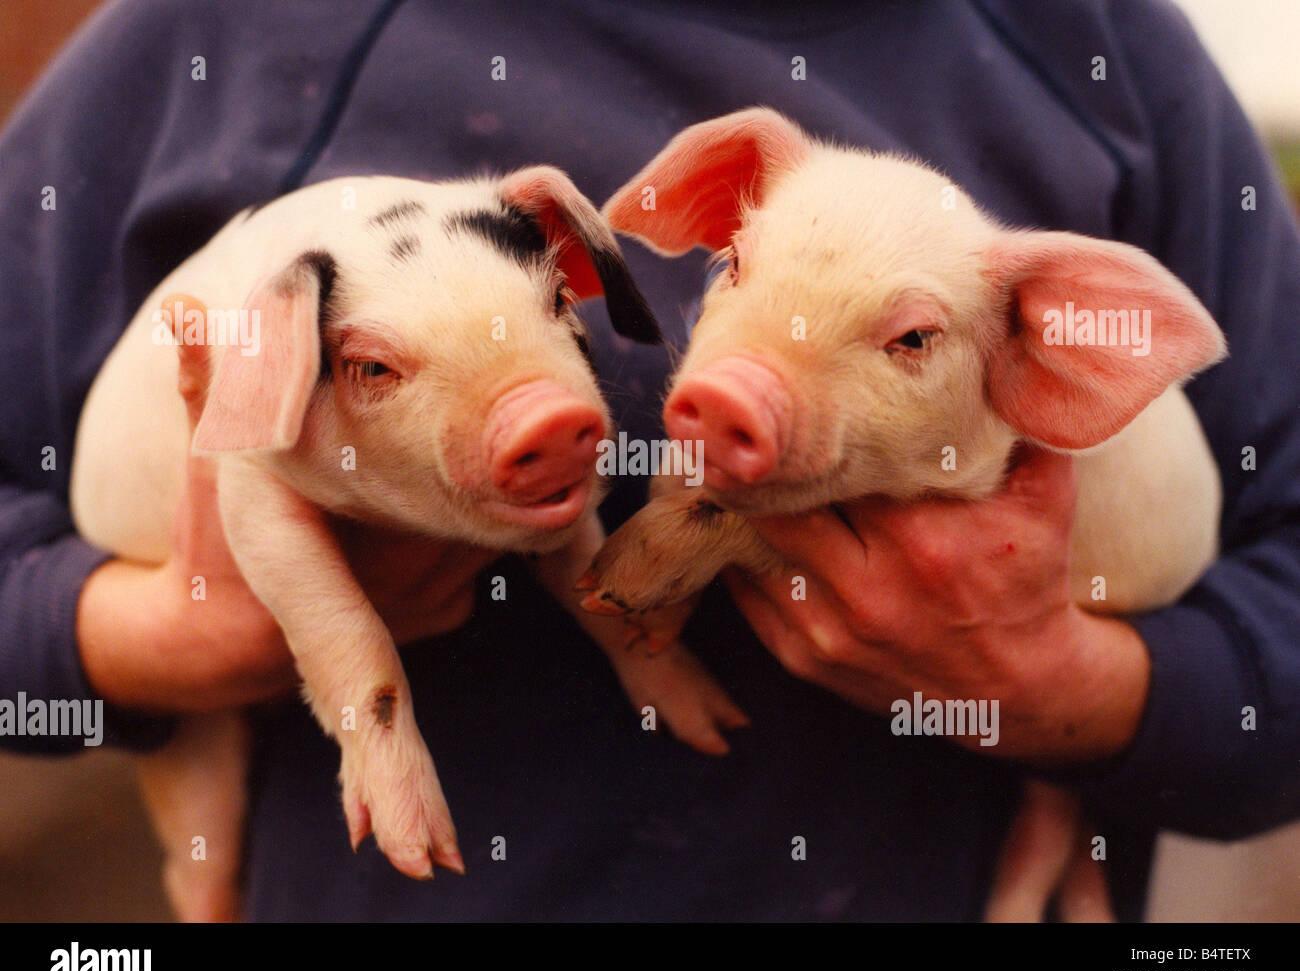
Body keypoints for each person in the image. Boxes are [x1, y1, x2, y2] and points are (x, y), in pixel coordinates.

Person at [1, 0, 1296, 921]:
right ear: (714, 202)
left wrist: (1070, 687)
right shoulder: (214, 32)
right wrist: (170, 635)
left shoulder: (1104, 43)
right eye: (733, 267)